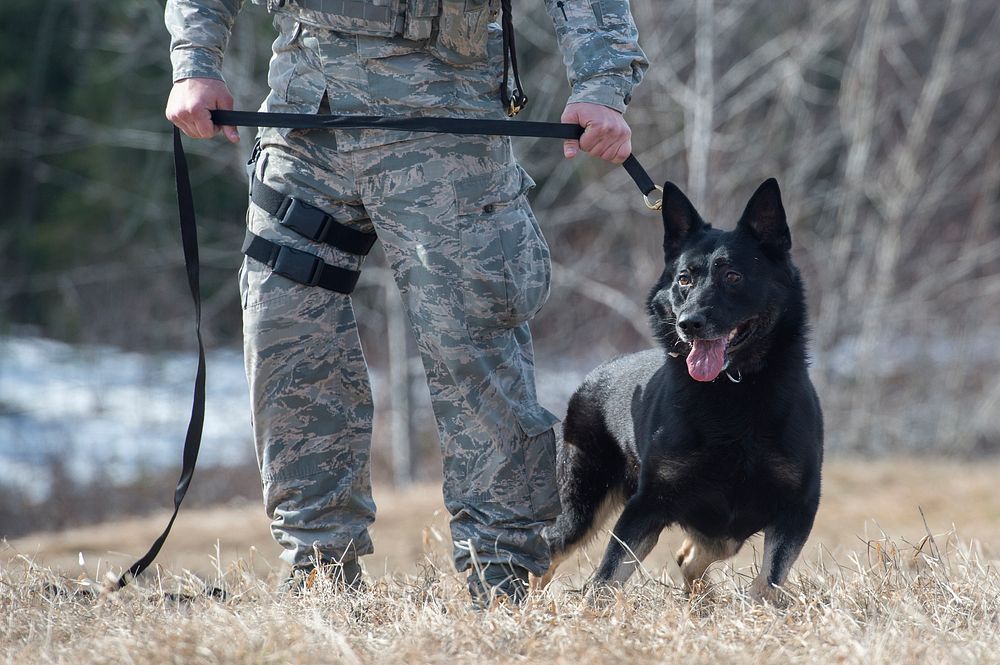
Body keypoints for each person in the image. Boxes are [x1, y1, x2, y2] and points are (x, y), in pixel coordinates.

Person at [164, 0, 647, 604]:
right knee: (284, 329)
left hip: (448, 114)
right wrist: (195, 61)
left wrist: (601, 84)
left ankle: (501, 577)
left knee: (471, 345)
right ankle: (319, 573)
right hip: (309, 109)